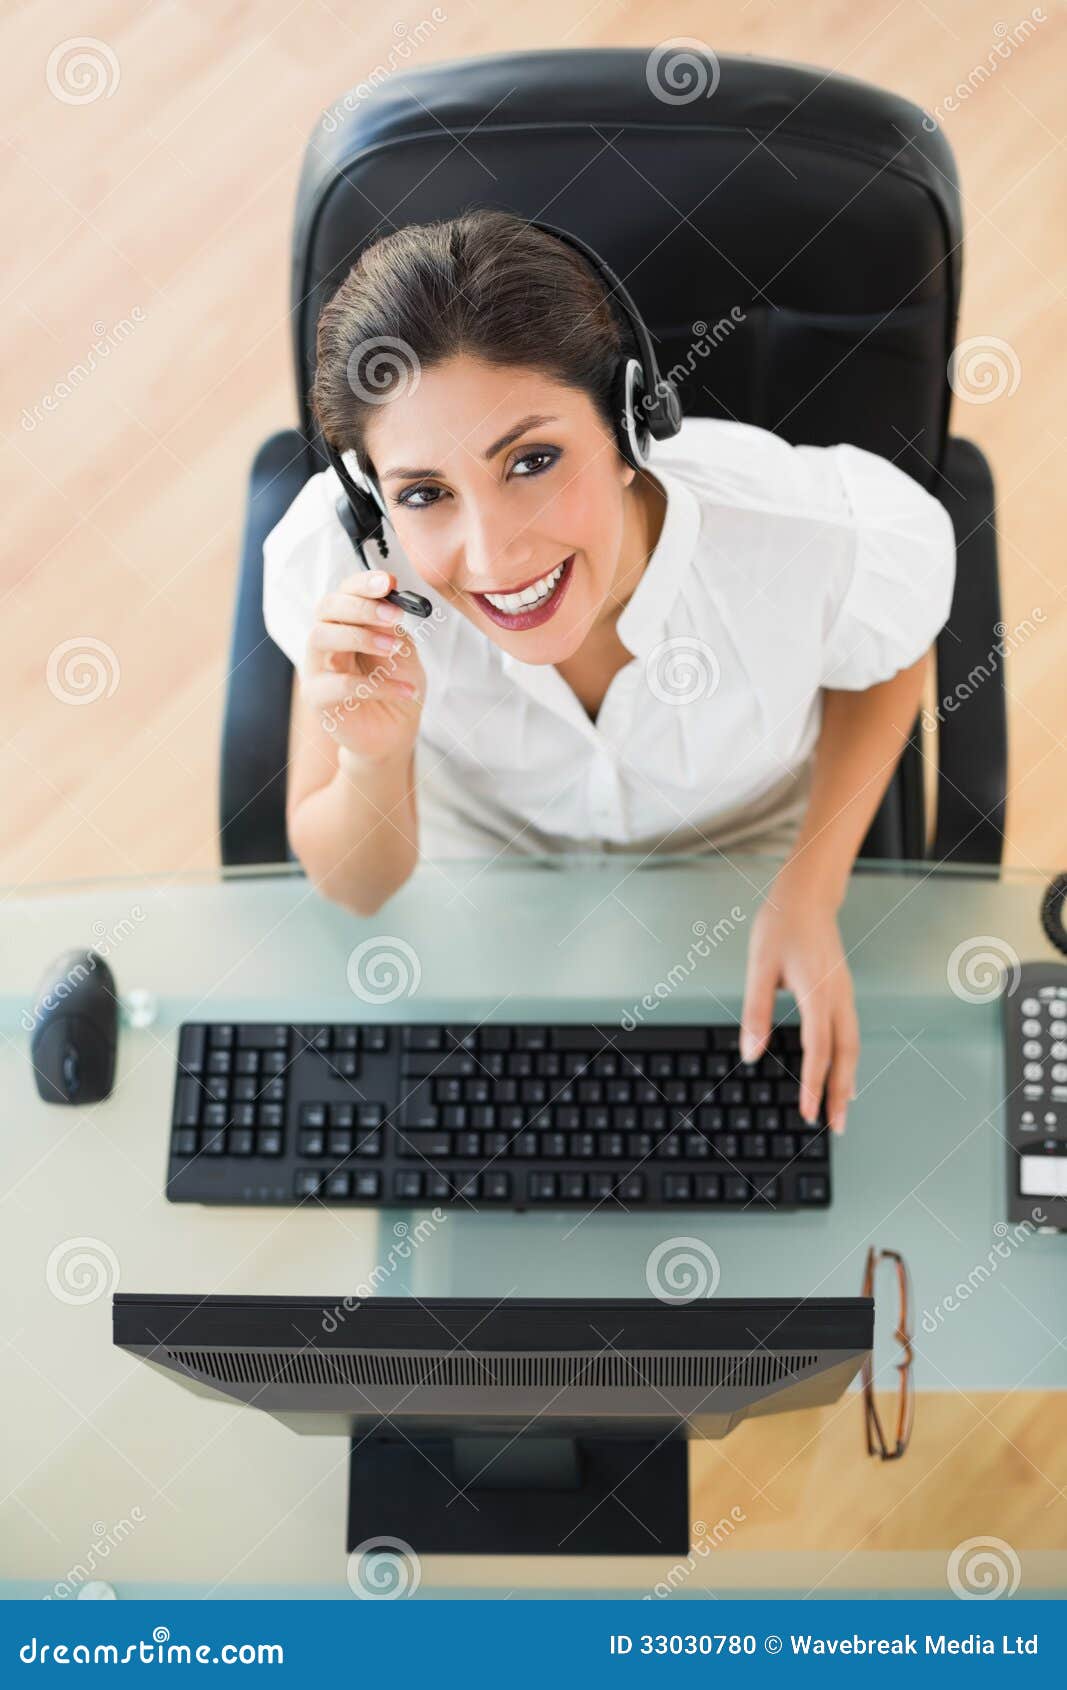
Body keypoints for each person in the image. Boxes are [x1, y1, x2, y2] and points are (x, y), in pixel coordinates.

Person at [262, 208, 957, 1137]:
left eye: (533, 461)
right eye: (424, 493)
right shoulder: (350, 571)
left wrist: (812, 885)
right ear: (370, 498)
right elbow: (359, 887)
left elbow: (887, 655)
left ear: (632, 424)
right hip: (483, 873)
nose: (493, 552)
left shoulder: (813, 541)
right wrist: (375, 759)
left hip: (736, 868)